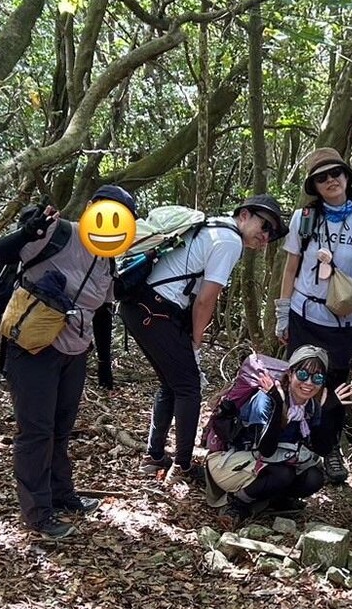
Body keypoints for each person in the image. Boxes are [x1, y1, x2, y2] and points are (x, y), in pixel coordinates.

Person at [119, 195, 287, 483]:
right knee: (188, 387)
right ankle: (182, 466)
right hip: (156, 310)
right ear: (244, 215)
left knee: (172, 385)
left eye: (271, 233)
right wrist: (196, 342)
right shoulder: (229, 240)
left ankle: (154, 456)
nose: (266, 236)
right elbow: (206, 300)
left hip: (141, 307)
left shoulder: (212, 226)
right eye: (265, 225)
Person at [0, 186, 123, 539]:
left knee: (60, 429)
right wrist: (25, 232)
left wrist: (105, 364)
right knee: (36, 431)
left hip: (74, 353)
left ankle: (62, 495)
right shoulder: (56, 231)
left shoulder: (109, 257)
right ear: (93, 208)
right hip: (33, 349)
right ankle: (38, 513)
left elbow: (102, 312)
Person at [275, 147, 352, 485]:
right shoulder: (305, 218)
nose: (331, 181)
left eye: (335, 174)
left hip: (344, 320)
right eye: (322, 177)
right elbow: (290, 268)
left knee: (337, 387)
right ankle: (289, 442)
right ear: (315, 184)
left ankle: (329, 449)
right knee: (298, 382)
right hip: (305, 313)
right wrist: (283, 315)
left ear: (346, 176)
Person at [205, 346, 352, 524]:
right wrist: (278, 404)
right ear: (290, 373)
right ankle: (238, 503)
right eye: (302, 375)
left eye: (317, 378)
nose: (309, 383)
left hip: (268, 462)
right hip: (229, 461)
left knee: (314, 478)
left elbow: (322, 448)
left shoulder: (311, 405)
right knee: (283, 474)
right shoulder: (265, 399)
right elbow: (266, 449)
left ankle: (274, 499)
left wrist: (327, 410)